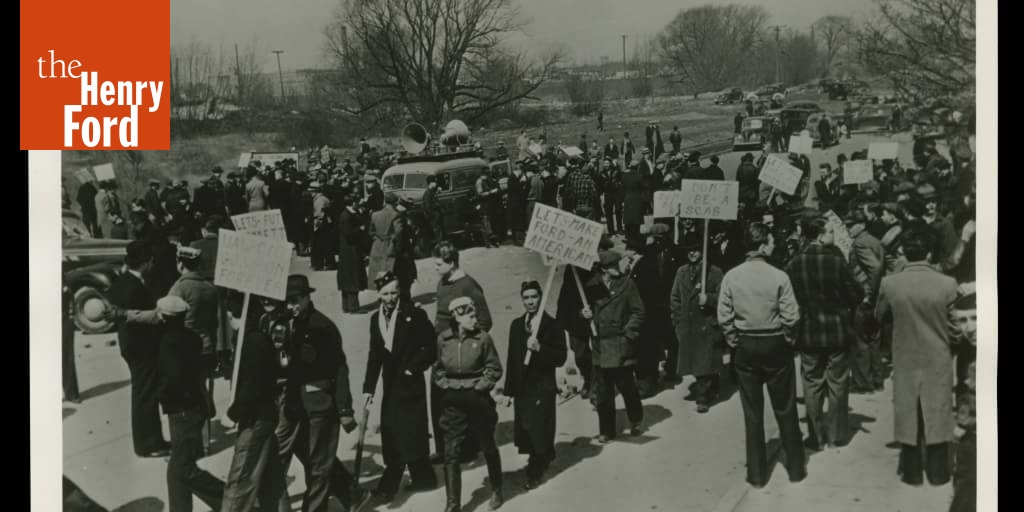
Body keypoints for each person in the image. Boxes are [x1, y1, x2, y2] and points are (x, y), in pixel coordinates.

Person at [717, 222, 805, 487]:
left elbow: (724, 316)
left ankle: (756, 475)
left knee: (752, 414)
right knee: (786, 408)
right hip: (775, 343)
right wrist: (788, 338)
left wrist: (734, 339)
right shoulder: (779, 276)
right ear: (764, 244)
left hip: (745, 346)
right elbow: (792, 316)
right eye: (771, 240)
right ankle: (796, 468)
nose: (774, 244)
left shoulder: (732, 276)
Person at [874, 228, 957, 486]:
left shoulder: (890, 283)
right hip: (937, 357)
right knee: (938, 413)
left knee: (908, 411)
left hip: (905, 356)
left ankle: (911, 473)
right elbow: (955, 326)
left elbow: (879, 316)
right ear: (930, 253)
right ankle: (938, 473)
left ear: (904, 253)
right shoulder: (947, 284)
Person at [275, 275, 364, 512]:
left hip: (320, 405)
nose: (290, 306)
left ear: (307, 297)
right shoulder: (283, 325)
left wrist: (345, 409)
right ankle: (352, 494)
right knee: (311, 457)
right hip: (294, 405)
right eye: (286, 301)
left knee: (318, 465)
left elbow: (339, 368)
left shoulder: (322, 327)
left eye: (295, 300)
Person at [784, 217, 864, 450]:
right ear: (819, 235)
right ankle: (836, 434)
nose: (833, 235)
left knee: (811, 383)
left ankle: (816, 436)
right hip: (836, 329)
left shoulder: (794, 263)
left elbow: (788, 296)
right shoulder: (836, 261)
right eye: (829, 231)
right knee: (838, 382)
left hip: (808, 330)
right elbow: (856, 292)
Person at [362, 272, 438, 501]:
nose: (390, 297)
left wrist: (412, 368)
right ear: (378, 295)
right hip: (391, 384)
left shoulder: (414, 314)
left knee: (411, 430)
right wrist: (369, 388)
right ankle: (423, 477)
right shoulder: (375, 319)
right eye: (385, 293)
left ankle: (389, 486)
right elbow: (374, 355)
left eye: (394, 292)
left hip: (410, 383)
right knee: (394, 429)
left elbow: (430, 347)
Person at [154, 295, 225, 512]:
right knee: (176, 468)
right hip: (195, 406)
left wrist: (160, 394)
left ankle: (230, 497)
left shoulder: (167, 343)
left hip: (182, 411)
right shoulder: (192, 338)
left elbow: (173, 381)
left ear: (164, 317)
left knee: (184, 469)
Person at [435, 296, 505, 511]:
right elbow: (437, 369)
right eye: (471, 316)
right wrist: (445, 384)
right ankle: (452, 504)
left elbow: (495, 368)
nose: (475, 319)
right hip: (453, 401)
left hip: (477, 399)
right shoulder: (443, 340)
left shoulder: (483, 339)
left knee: (487, 444)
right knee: (451, 452)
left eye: (475, 315)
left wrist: (480, 386)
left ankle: (496, 489)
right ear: (457, 317)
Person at [220, 297, 289, 512]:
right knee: (271, 477)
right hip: (266, 414)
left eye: (231, 316)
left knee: (240, 479)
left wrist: (233, 413)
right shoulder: (252, 338)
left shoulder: (252, 341)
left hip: (256, 417)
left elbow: (252, 386)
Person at [106, 241, 171, 458]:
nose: (153, 264)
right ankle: (147, 445)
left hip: (131, 346)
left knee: (145, 393)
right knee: (145, 396)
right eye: (151, 260)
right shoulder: (135, 288)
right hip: (141, 348)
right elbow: (140, 317)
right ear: (145, 262)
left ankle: (153, 440)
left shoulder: (123, 281)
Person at [430, 241, 491, 464]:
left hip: (459, 355)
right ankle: (445, 448)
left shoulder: (468, 285)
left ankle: (466, 449)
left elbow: (484, 320)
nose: (435, 268)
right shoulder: (443, 282)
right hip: (442, 351)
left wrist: (467, 345)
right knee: (439, 400)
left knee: (461, 401)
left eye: (438, 264)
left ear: (452, 263)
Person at [505, 280, 567, 489]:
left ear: (541, 297)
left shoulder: (552, 325)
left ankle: (536, 467)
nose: (530, 301)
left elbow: (560, 357)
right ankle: (543, 455)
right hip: (523, 387)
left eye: (534, 297)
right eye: (526, 298)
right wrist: (508, 391)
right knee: (525, 427)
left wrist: (540, 348)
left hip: (542, 385)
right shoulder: (516, 326)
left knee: (540, 427)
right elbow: (512, 359)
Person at [582, 250, 646, 443]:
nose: (618, 268)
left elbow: (638, 312)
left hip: (620, 345)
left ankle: (636, 419)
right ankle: (606, 430)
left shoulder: (627, 285)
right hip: (601, 346)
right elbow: (590, 312)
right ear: (603, 270)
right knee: (603, 392)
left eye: (618, 264)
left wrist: (628, 334)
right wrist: (584, 315)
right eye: (613, 266)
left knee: (627, 387)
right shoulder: (591, 287)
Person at [670, 237, 725, 413]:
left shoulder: (715, 272)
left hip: (706, 324)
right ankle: (711, 384)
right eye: (689, 250)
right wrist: (677, 320)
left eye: (695, 249)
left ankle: (703, 397)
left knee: (704, 361)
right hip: (687, 324)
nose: (692, 253)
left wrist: (708, 299)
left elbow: (724, 299)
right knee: (697, 362)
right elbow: (675, 297)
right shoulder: (682, 272)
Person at [845, 210, 887, 393]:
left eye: (850, 225)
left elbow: (875, 267)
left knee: (860, 339)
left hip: (865, 294)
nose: (847, 229)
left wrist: (868, 292)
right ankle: (877, 379)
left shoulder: (860, 243)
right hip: (877, 296)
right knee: (874, 338)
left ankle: (863, 382)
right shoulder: (874, 240)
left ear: (861, 225)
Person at [336, 193, 368, 313]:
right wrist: (360, 229)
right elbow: (348, 234)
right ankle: (353, 307)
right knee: (352, 276)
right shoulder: (346, 216)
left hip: (348, 250)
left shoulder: (348, 214)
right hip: (350, 250)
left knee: (347, 277)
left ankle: (346, 306)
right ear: (353, 203)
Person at [367, 192, 400, 288]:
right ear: (394, 203)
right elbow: (398, 232)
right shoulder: (395, 215)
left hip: (377, 245)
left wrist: (377, 236)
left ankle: (380, 292)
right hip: (390, 244)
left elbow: (370, 232)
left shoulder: (375, 215)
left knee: (377, 271)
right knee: (390, 271)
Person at [621, 160, 646, 246]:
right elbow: (643, 188)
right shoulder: (640, 176)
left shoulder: (624, 176)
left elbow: (622, 187)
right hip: (637, 199)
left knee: (628, 220)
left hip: (627, 199)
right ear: (638, 167)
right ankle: (636, 237)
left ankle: (628, 236)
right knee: (636, 220)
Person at [507, 163, 529, 244]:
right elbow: (519, 192)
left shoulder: (513, 178)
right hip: (516, 203)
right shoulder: (513, 179)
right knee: (517, 221)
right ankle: (518, 240)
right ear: (520, 170)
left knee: (515, 221)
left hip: (514, 203)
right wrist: (522, 184)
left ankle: (516, 239)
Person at [422, 175, 444, 245]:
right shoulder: (427, 193)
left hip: (436, 215)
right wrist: (434, 215)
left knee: (439, 232)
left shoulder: (432, 192)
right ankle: (440, 247)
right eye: (435, 182)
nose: (436, 183)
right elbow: (427, 207)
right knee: (437, 233)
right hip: (433, 217)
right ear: (431, 183)